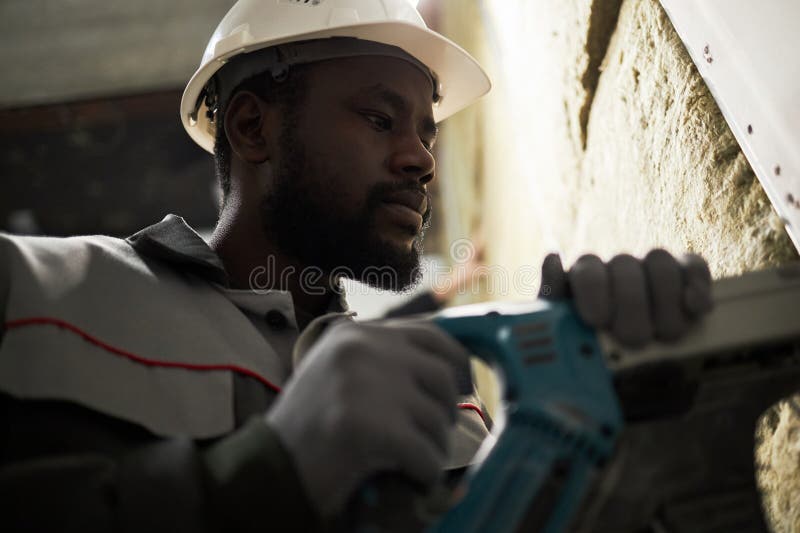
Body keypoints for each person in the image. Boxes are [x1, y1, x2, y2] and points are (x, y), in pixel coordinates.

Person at [0, 1, 713, 531]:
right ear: (253, 127)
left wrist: (623, 432)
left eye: (426, 132)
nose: (422, 159)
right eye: (380, 119)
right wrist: (271, 471)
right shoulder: (36, 291)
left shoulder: (445, 389)